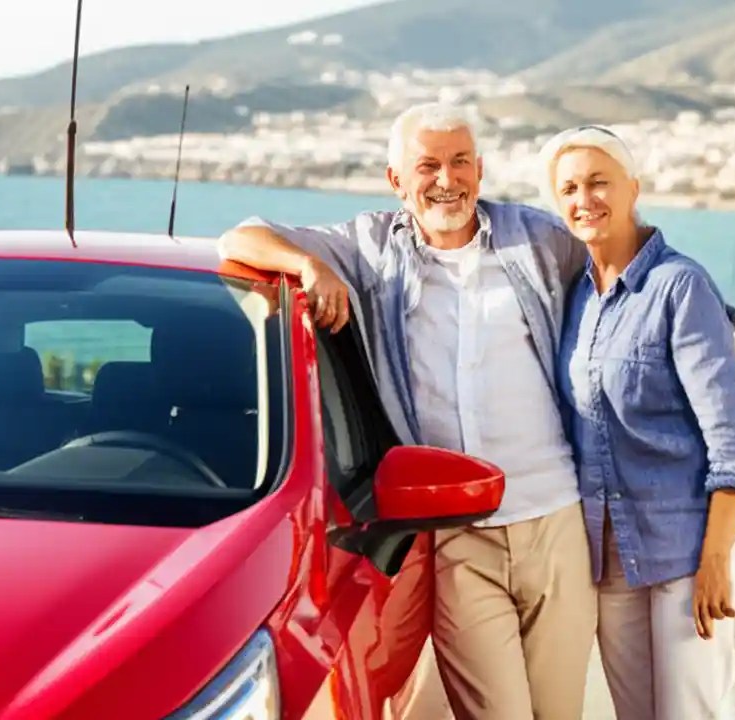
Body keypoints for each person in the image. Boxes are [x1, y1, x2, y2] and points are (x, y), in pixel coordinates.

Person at [217, 102, 597, 719]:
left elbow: (622, 278)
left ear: (480, 169)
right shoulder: (369, 248)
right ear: (396, 181)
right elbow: (241, 238)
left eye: (460, 162)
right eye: (427, 166)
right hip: (456, 534)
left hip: (556, 520)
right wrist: (308, 265)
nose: (446, 180)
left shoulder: (541, 240)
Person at [538, 124, 735, 719]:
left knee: (689, 713)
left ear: (633, 188)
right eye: (570, 189)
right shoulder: (575, 298)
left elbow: (731, 437)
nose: (585, 199)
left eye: (599, 182)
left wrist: (716, 559)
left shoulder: (679, 287)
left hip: (687, 551)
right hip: (609, 559)